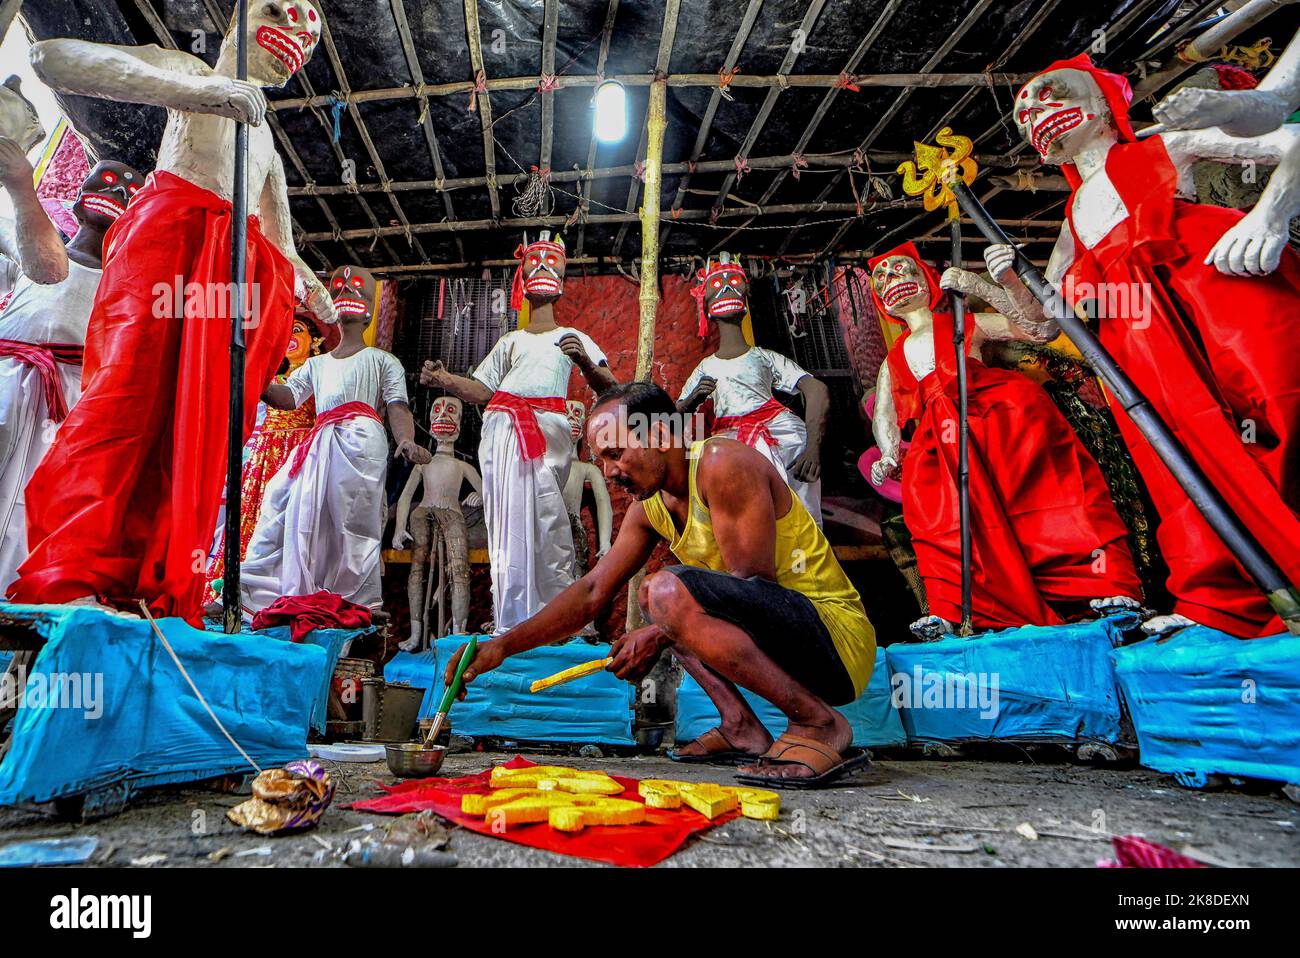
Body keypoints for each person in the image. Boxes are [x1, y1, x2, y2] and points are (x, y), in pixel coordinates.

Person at [10, 1, 336, 621]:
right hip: (165, 252)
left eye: (310, 32)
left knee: (194, 433)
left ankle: (148, 580)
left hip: (228, 278)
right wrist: (201, 91)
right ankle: (74, 568)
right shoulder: (190, 73)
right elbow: (52, 58)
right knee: (122, 403)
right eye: (284, 12)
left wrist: (323, 307)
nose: (297, 33)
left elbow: (285, 246)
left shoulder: (264, 136)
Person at [444, 381, 876, 789]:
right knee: (656, 594)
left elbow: (754, 583)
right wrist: (501, 647)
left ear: (660, 434)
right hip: (790, 641)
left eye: (616, 453)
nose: (611, 472)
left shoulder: (721, 462)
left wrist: (658, 633)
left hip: (836, 642)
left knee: (667, 594)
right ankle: (740, 726)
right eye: (602, 462)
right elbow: (593, 591)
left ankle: (819, 724)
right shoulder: (651, 508)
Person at [1010, 53, 1300, 637]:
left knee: (1272, 408)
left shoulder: (1162, 145)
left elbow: (1292, 142)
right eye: (1022, 113)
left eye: (1051, 94)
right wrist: (1007, 280)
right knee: (1171, 461)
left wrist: (1268, 217)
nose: (1034, 113)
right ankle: (1223, 599)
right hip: (1135, 338)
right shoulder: (1072, 213)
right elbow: (1045, 324)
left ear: (1102, 103)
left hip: (1205, 291)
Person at [868, 241, 1142, 637]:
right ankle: (952, 606)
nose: (890, 278)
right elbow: (885, 415)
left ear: (927, 280)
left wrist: (991, 286)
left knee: (1051, 497)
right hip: (941, 443)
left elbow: (1039, 329)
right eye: (880, 276)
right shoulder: (891, 359)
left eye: (900, 268)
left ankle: (1106, 584)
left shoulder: (965, 324)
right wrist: (888, 451)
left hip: (1001, 418)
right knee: (943, 521)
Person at [420, 231, 615, 634]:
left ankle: (554, 620)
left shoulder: (574, 336)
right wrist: (447, 380)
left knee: (550, 523)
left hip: (548, 434)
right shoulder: (510, 340)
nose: (543, 268)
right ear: (521, 276)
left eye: (553, 261)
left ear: (564, 274)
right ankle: (513, 620)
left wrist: (585, 362)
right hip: (505, 430)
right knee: (509, 529)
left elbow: (612, 388)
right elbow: (483, 389)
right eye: (534, 261)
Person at [239, 265, 429, 616]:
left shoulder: (383, 361)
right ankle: (259, 591)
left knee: (353, 520)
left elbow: (397, 406)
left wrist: (405, 440)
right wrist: (252, 377)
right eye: (339, 290)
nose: (346, 296)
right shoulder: (317, 364)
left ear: (370, 309)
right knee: (282, 499)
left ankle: (358, 601)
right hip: (319, 441)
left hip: (361, 439)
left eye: (356, 290)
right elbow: (289, 397)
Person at [0, 151, 142, 593]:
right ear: (78, 195)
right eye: (105, 181)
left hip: (68, 401)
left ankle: (14, 598)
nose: (115, 192)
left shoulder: (130, 283)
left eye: (129, 194)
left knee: (36, 500)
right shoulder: (29, 252)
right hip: (6, 380)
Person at [678, 253, 828, 525]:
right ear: (706, 306)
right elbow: (674, 415)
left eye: (735, 281)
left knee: (802, 516)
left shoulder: (764, 357)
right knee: (748, 520)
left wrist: (812, 448)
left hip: (782, 435)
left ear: (745, 299)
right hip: (731, 442)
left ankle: (810, 561)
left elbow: (816, 389)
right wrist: (693, 399)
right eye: (716, 286)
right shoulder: (705, 368)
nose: (726, 289)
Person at [204, 310, 339, 602]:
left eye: (299, 330)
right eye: (287, 332)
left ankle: (284, 594)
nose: (291, 338)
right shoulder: (273, 375)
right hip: (264, 456)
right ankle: (238, 594)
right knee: (253, 522)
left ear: (316, 341)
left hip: (303, 453)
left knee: (296, 527)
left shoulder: (320, 372)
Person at [392, 395, 482, 649]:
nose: (444, 417)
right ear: (430, 421)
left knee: (459, 569)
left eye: (452, 411)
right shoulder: (423, 464)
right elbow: (406, 496)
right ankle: (416, 634)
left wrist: (480, 495)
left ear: (461, 423)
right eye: (438, 411)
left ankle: (457, 632)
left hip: (452, 513)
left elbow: (487, 492)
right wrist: (399, 528)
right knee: (417, 567)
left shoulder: (462, 466)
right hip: (423, 512)